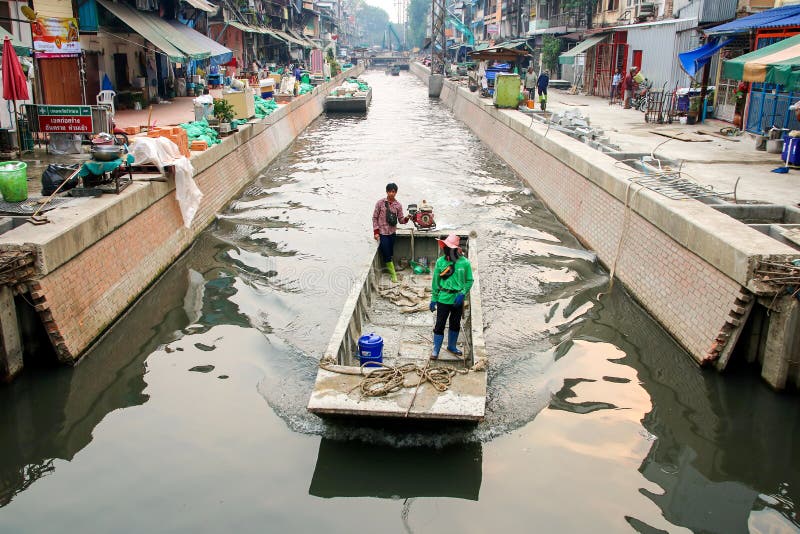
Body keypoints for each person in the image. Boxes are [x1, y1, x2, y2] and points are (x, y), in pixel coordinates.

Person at [429, 234, 474, 359]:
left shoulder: (464, 263)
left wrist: (462, 293)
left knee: (455, 324)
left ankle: (452, 346)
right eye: (446, 247)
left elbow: (470, 280)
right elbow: (436, 282)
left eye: (450, 248)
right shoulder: (440, 262)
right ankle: (436, 349)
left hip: (457, 300)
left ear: (456, 249)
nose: (447, 250)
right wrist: (434, 298)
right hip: (443, 298)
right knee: (440, 324)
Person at [372, 183, 409, 283]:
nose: (391, 193)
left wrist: (407, 218)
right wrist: (376, 232)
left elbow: (401, 220)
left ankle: (391, 268)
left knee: (390, 252)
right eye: (390, 191)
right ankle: (393, 274)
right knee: (387, 253)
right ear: (386, 192)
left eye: (393, 192)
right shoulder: (380, 203)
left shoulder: (398, 205)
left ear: (396, 192)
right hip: (382, 233)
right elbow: (375, 217)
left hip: (392, 233)